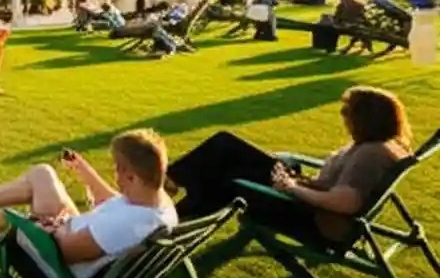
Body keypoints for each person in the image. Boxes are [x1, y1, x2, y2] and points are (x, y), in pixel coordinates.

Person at [167, 86, 411, 246]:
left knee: (228, 167)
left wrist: (292, 187)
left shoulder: (369, 154)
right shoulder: (383, 145)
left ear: (366, 119)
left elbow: (345, 202)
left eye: (348, 112)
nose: (343, 116)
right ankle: (177, 211)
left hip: (309, 217)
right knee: (227, 152)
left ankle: (172, 203)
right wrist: (298, 181)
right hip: (307, 197)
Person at [0, 129, 177, 278]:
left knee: (2, 217)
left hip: (60, 266)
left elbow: (66, 252)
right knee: (43, 174)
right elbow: (113, 201)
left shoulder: (123, 226)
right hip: (75, 231)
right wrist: (83, 168)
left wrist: (56, 227)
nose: (114, 173)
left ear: (132, 177)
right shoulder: (156, 202)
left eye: (118, 169)